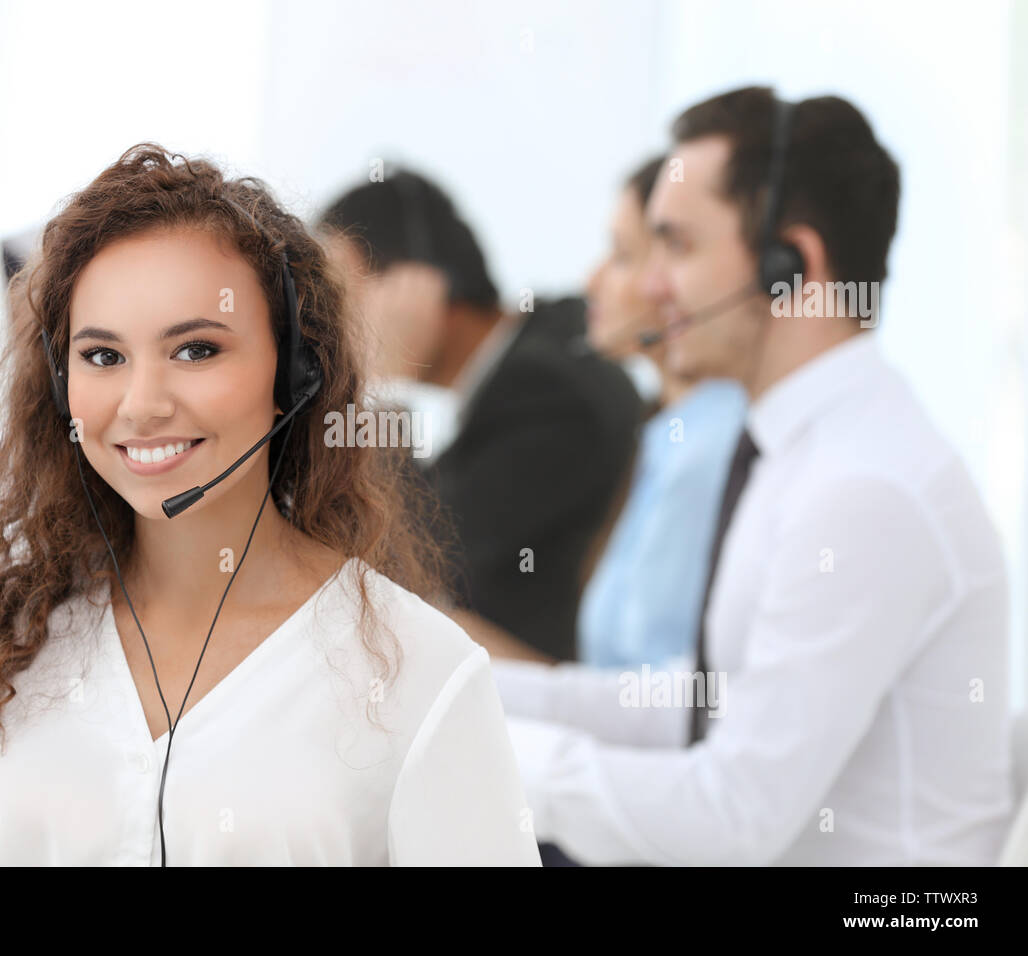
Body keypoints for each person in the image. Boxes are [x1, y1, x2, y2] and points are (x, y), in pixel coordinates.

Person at [0, 143, 541, 866]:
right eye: (102, 356)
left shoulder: (419, 672)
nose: (143, 405)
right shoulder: (2, 646)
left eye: (195, 351)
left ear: (296, 370)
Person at [491, 87, 1013, 865]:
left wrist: (486, 756)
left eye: (677, 246)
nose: (652, 285)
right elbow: (709, 701)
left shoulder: (862, 487)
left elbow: (732, 819)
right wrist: (464, 690)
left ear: (787, 265)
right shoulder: (797, 450)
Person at [319, 170, 641, 662]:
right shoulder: (527, 361)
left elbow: (407, 559)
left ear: (414, 284)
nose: (328, 328)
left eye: (338, 296)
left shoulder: (551, 390)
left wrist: (386, 385)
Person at [577, 155, 748, 669]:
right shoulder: (672, 435)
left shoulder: (708, 448)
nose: (593, 280)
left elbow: (655, 692)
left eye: (622, 254)